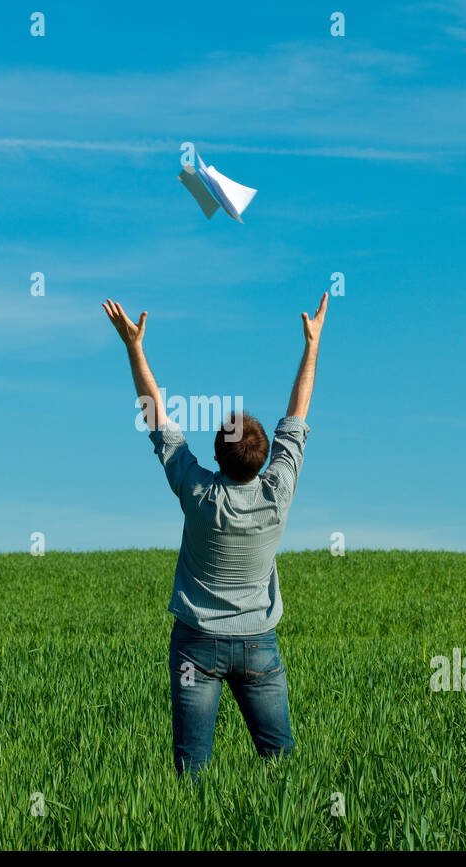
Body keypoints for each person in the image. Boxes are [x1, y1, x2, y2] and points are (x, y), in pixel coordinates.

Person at [102, 292, 327, 777]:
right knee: (281, 766)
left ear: (217, 456)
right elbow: (298, 417)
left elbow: (157, 419)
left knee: (192, 772)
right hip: (258, 646)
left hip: (195, 645)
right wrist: (312, 345)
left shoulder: (198, 493)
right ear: (263, 459)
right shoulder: (278, 492)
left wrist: (134, 347)